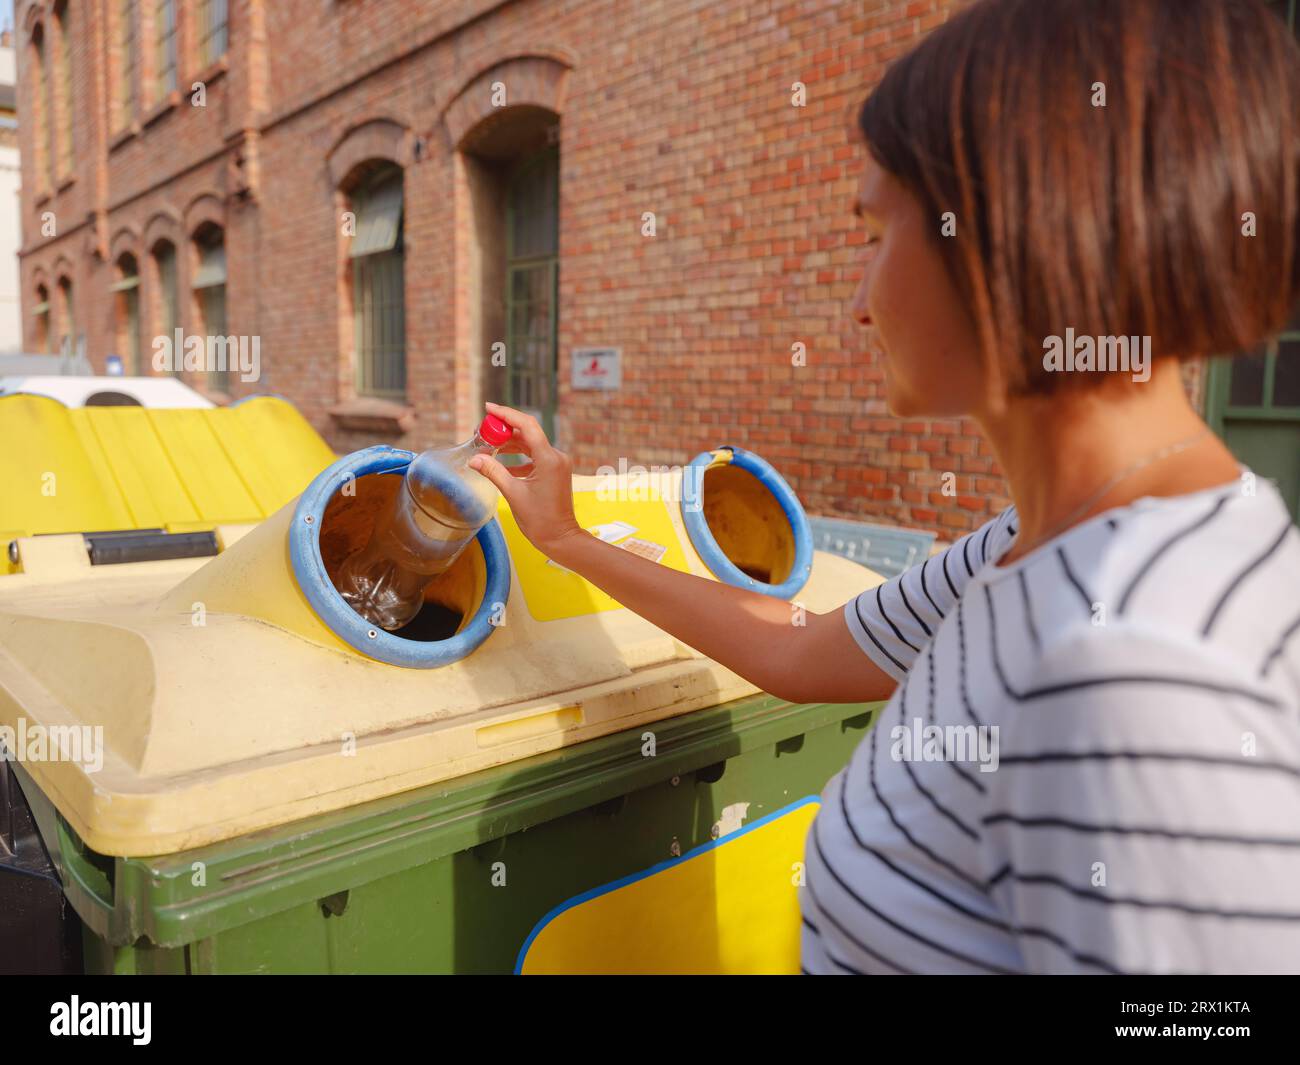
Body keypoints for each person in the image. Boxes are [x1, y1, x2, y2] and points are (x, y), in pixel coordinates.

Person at [470, 0, 1300, 974]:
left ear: (1007, 231)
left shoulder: (1140, 660)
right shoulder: (1025, 549)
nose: (859, 304)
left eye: (872, 234)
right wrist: (568, 540)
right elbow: (794, 649)